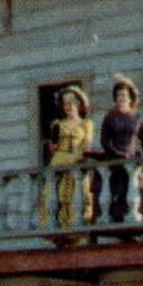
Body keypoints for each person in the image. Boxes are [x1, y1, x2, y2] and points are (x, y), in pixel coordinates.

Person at [95, 74, 143, 228]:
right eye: (119, 95)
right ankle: (117, 218)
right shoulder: (110, 117)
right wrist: (116, 153)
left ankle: (135, 218)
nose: (121, 98)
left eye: (125, 95)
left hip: (132, 157)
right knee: (116, 187)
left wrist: (140, 155)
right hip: (115, 157)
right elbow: (105, 141)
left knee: (136, 183)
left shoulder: (137, 118)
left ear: (130, 98)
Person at [45, 85, 93, 241]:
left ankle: (76, 231)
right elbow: (53, 147)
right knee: (58, 194)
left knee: (79, 195)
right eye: (65, 103)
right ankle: (60, 230)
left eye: (71, 103)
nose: (68, 107)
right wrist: (53, 142)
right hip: (60, 160)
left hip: (76, 161)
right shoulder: (58, 124)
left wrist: (80, 155)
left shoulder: (85, 124)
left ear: (78, 104)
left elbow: (87, 143)